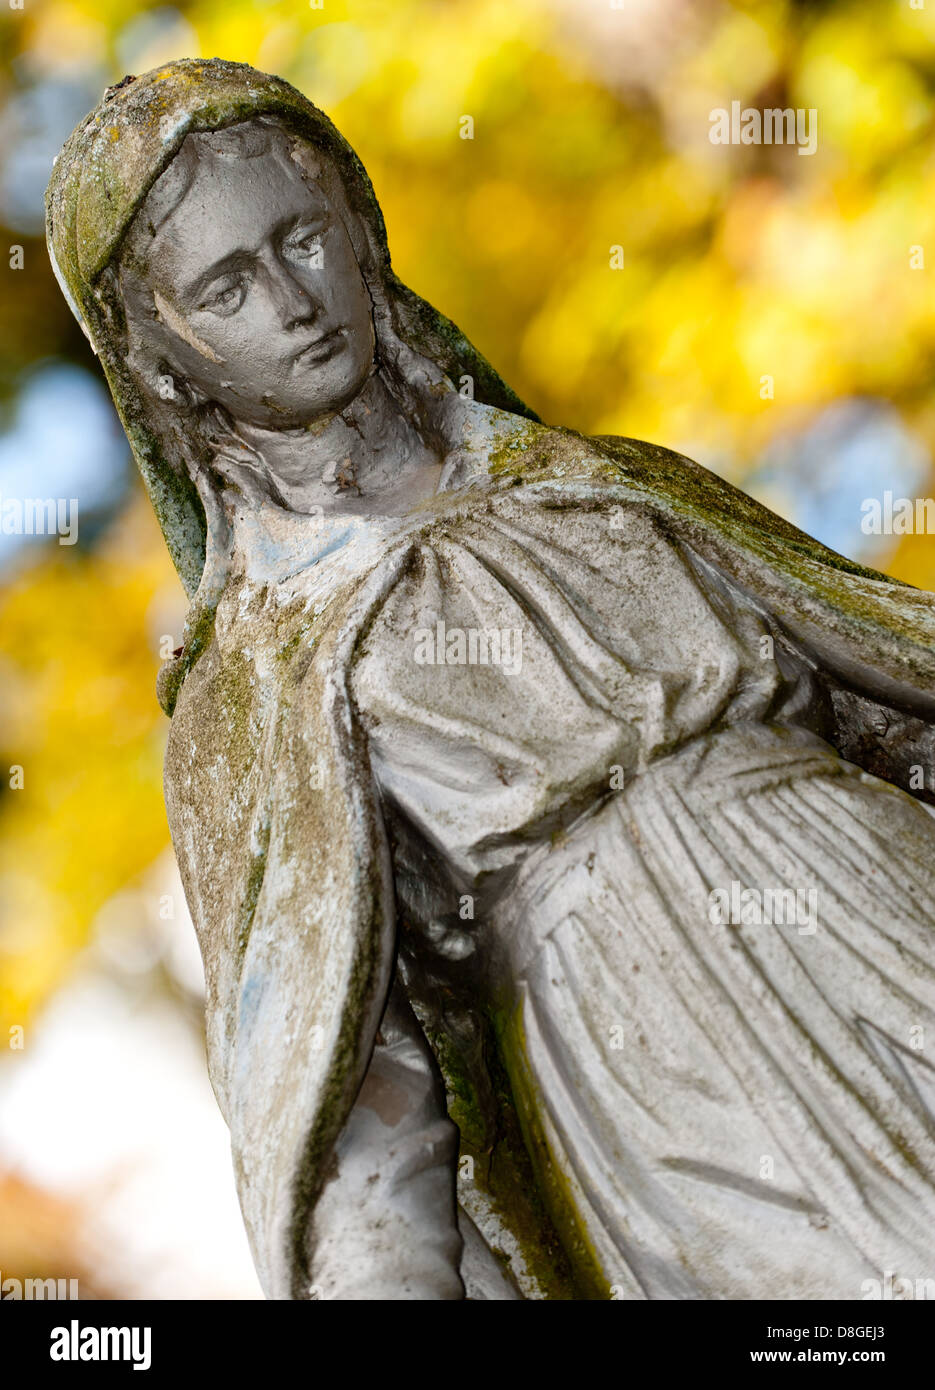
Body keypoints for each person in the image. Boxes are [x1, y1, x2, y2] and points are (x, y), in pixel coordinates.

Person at [47, 58, 935, 1300]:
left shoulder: (595, 480)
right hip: (650, 1067)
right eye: (227, 287)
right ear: (164, 367)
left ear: (360, 230)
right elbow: (343, 1082)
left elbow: (885, 696)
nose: (295, 301)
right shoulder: (253, 691)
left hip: (882, 901)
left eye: (303, 238)